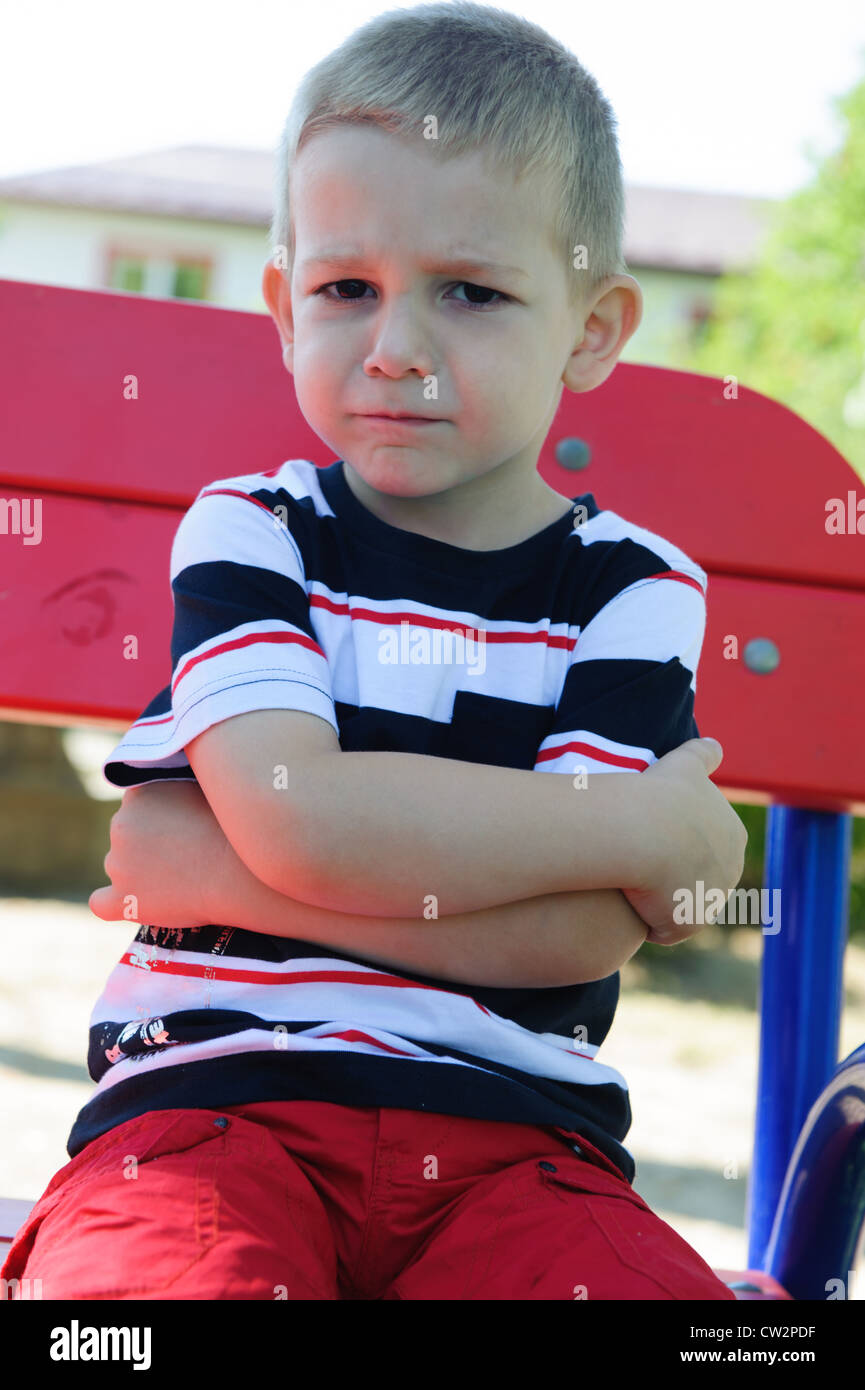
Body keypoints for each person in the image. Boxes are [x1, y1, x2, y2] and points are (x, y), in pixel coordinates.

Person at [2, 1, 746, 1300]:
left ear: (591, 324)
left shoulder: (634, 588)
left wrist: (215, 874)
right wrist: (644, 831)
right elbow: (303, 822)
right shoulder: (254, 535)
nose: (396, 349)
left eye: (469, 289)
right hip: (211, 1113)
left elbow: (569, 940)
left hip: (523, 1144)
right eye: (348, 289)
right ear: (286, 306)